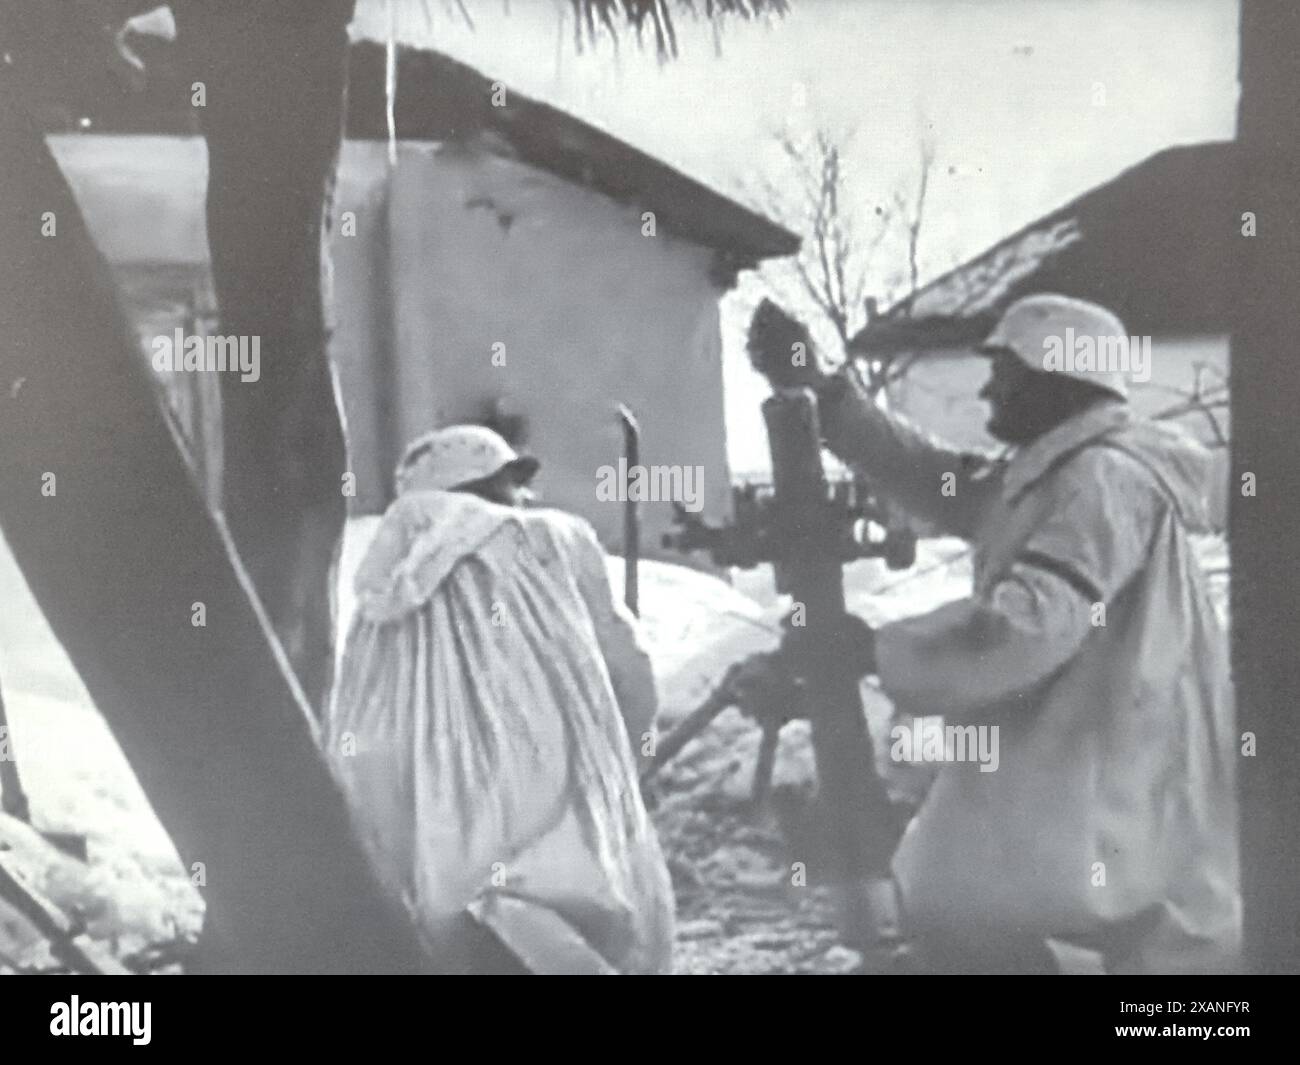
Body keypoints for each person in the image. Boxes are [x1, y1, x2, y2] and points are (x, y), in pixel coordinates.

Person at [749, 294, 1240, 974]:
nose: (986, 389)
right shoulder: (1056, 470)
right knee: (984, 917)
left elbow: (1025, 625)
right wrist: (825, 390)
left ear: (1061, 378)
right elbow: (935, 476)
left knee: (1093, 929)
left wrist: (873, 649)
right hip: (1087, 748)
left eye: (1004, 374)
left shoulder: (1102, 478)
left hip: (1118, 760)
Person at [323, 425, 673, 974]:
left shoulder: (383, 578)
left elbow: (358, 723)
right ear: (485, 484)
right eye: (511, 481)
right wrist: (625, 750)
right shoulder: (551, 540)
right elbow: (626, 662)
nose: (524, 496)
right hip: (549, 765)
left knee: (465, 918)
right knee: (566, 903)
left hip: (433, 796)